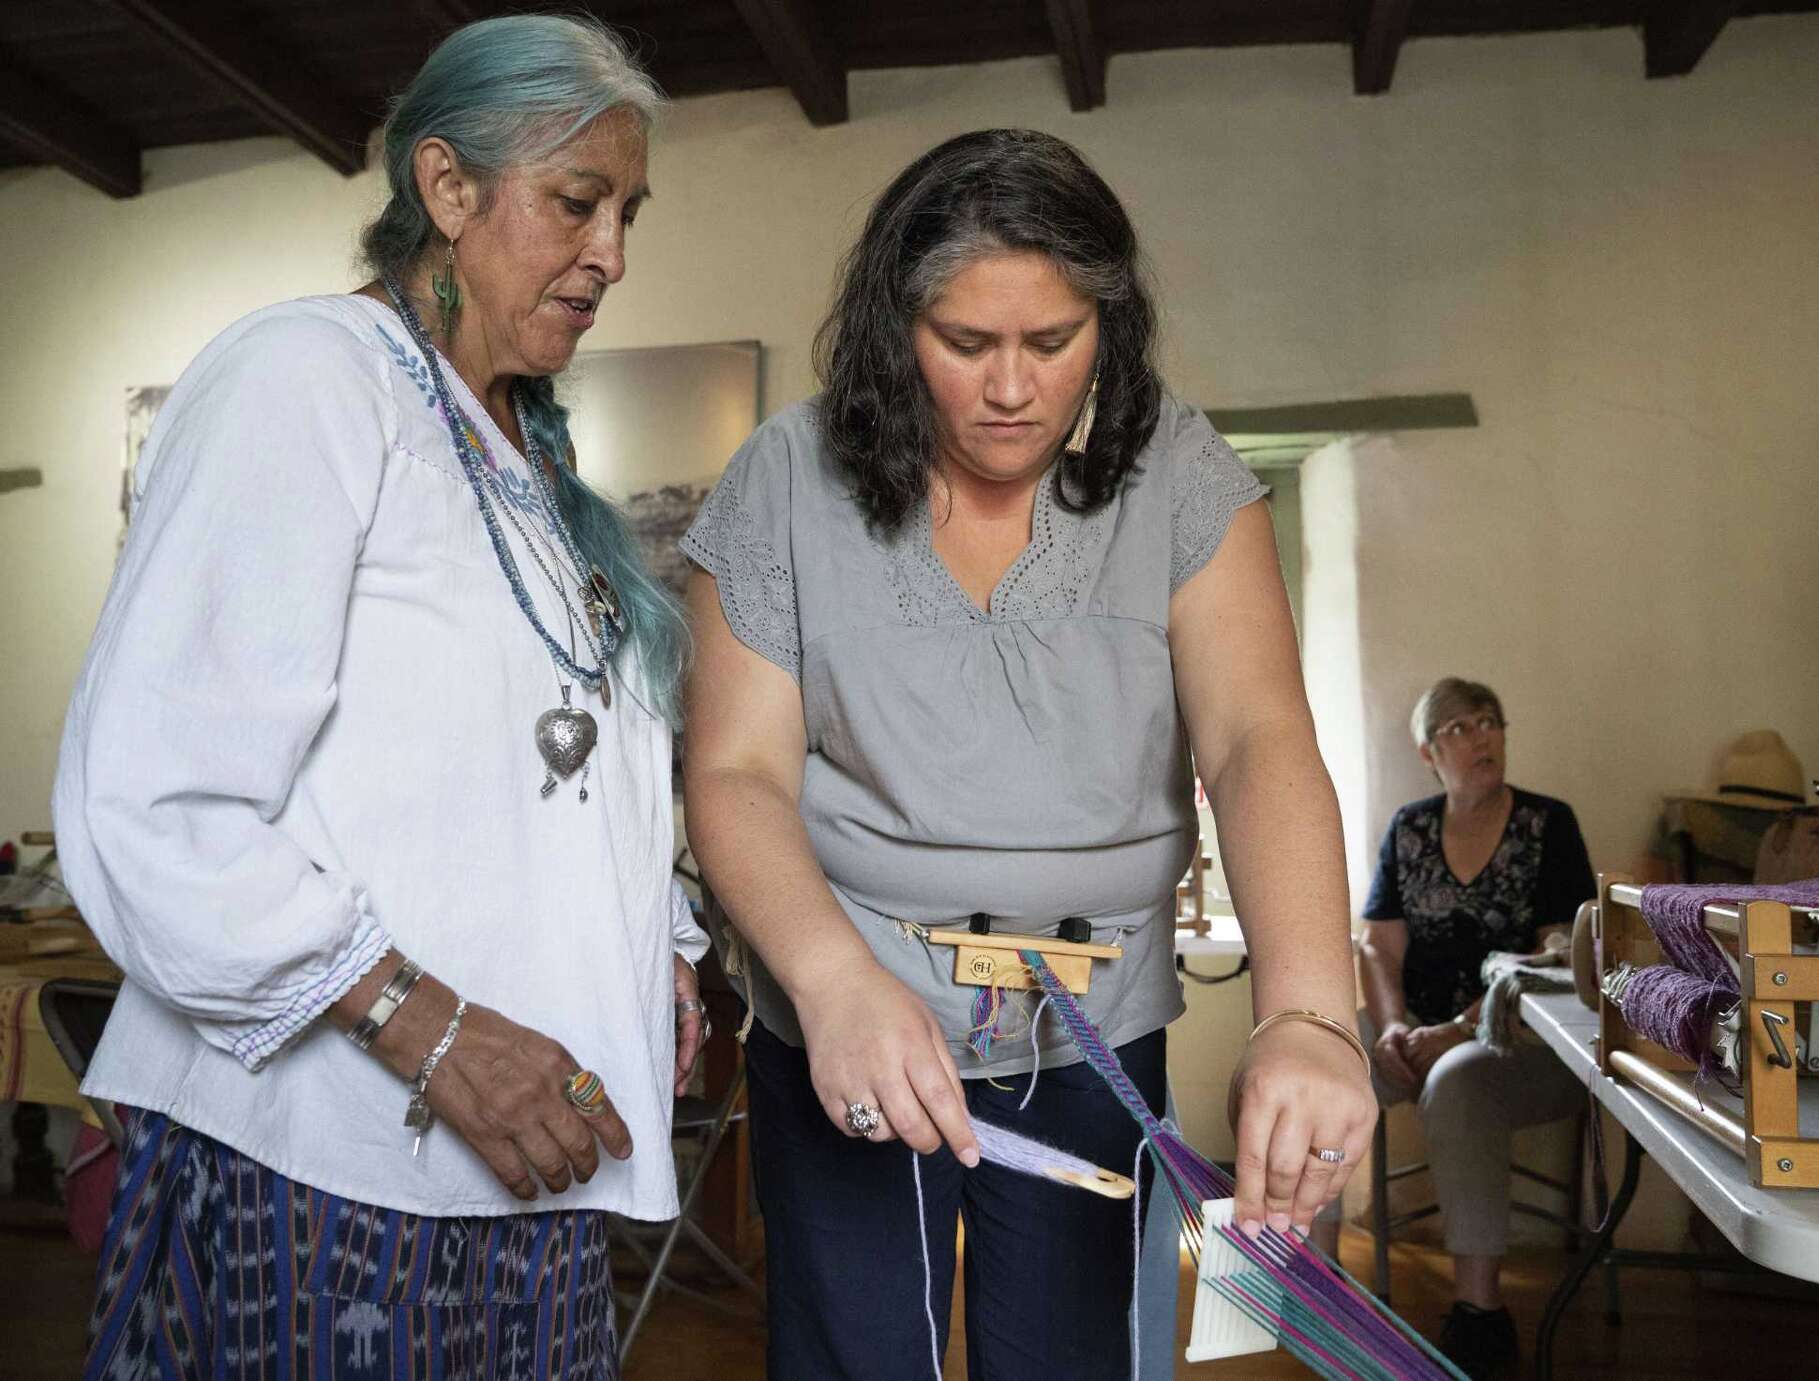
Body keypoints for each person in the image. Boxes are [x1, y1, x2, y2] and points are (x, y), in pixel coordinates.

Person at [53, 17, 709, 1378]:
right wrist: (434, 1028)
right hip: (327, 1158)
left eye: (627, 213)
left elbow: (564, 780)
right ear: (448, 189)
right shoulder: (305, 379)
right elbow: (162, 804)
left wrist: (666, 946)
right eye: (577, 202)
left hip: (528, 1152)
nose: (613, 255)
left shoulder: (522, 454)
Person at [679, 128, 1375, 1380]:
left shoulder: (1179, 476)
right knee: (855, 1359)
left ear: (1108, 323)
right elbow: (734, 771)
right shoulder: (787, 476)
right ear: (898, 331)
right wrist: (833, 981)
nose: (1013, 389)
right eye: (965, 344)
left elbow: (1259, 738)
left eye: (1053, 343)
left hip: (1089, 1032)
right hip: (849, 1013)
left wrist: (1313, 1010)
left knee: (1067, 1356)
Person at [1315, 676, 1594, 1380]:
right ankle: (1313, 1279)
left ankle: (1479, 1314)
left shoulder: (1546, 824)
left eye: (1490, 722)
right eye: (1460, 728)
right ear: (1428, 750)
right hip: (1413, 1032)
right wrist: (1389, 1028)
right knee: (1327, 1055)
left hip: (1525, 1039)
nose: (1482, 737)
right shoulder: (1410, 828)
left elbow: (1559, 956)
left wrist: (1458, 1030)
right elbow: (1376, 945)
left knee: (1458, 1081)